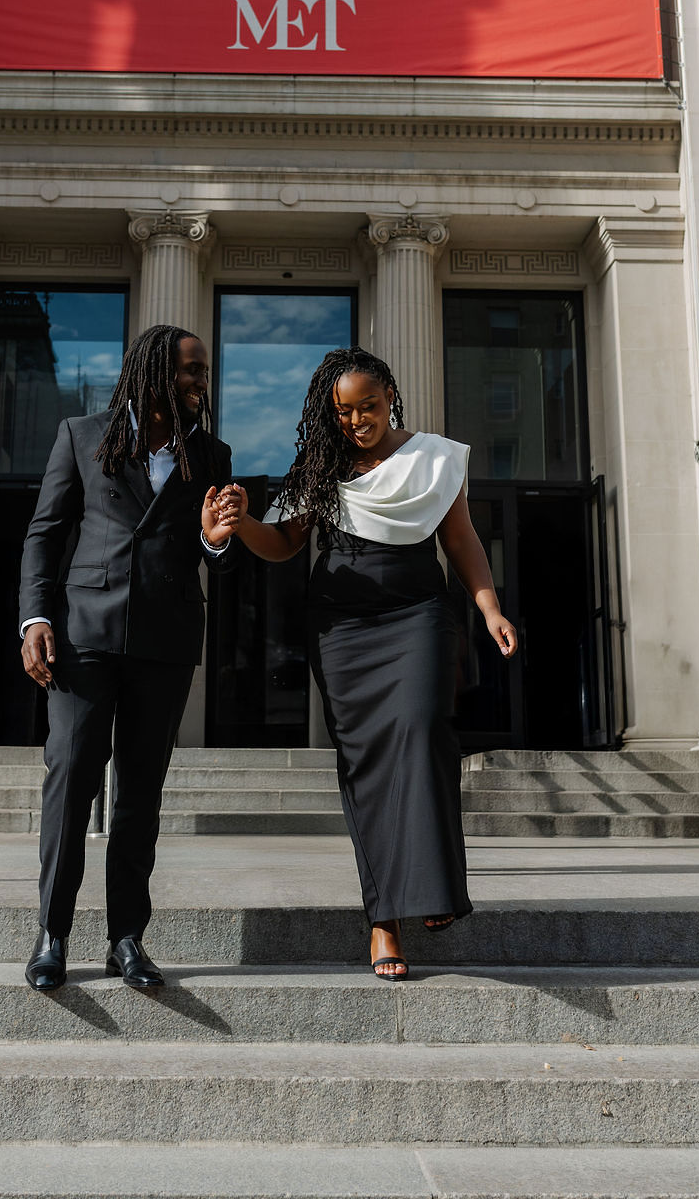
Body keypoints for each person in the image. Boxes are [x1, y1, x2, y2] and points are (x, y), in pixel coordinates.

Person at [214, 346, 516, 980]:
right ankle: (385, 922)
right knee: (367, 769)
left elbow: (459, 537)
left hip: (418, 615)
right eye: (345, 412)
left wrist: (489, 610)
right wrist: (242, 526)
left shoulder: (433, 457)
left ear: (391, 398)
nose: (357, 422)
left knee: (424, 732)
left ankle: (430, 889)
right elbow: (284, 543)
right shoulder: (321, 464)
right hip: (344, 630)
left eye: (369, 407)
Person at [19, 324, 235, 992]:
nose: (203, 381)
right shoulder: (84, 437)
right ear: (155, 375)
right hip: (82, 639)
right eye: (192, 371)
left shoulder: (213, 454)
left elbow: (209, 552)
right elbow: (46, 533)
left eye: (204, 371)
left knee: (140, 795)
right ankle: (52, 933)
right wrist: (36, 619)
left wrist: (216, 542)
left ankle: (126, 939)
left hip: (165, 644)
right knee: (72, 779)